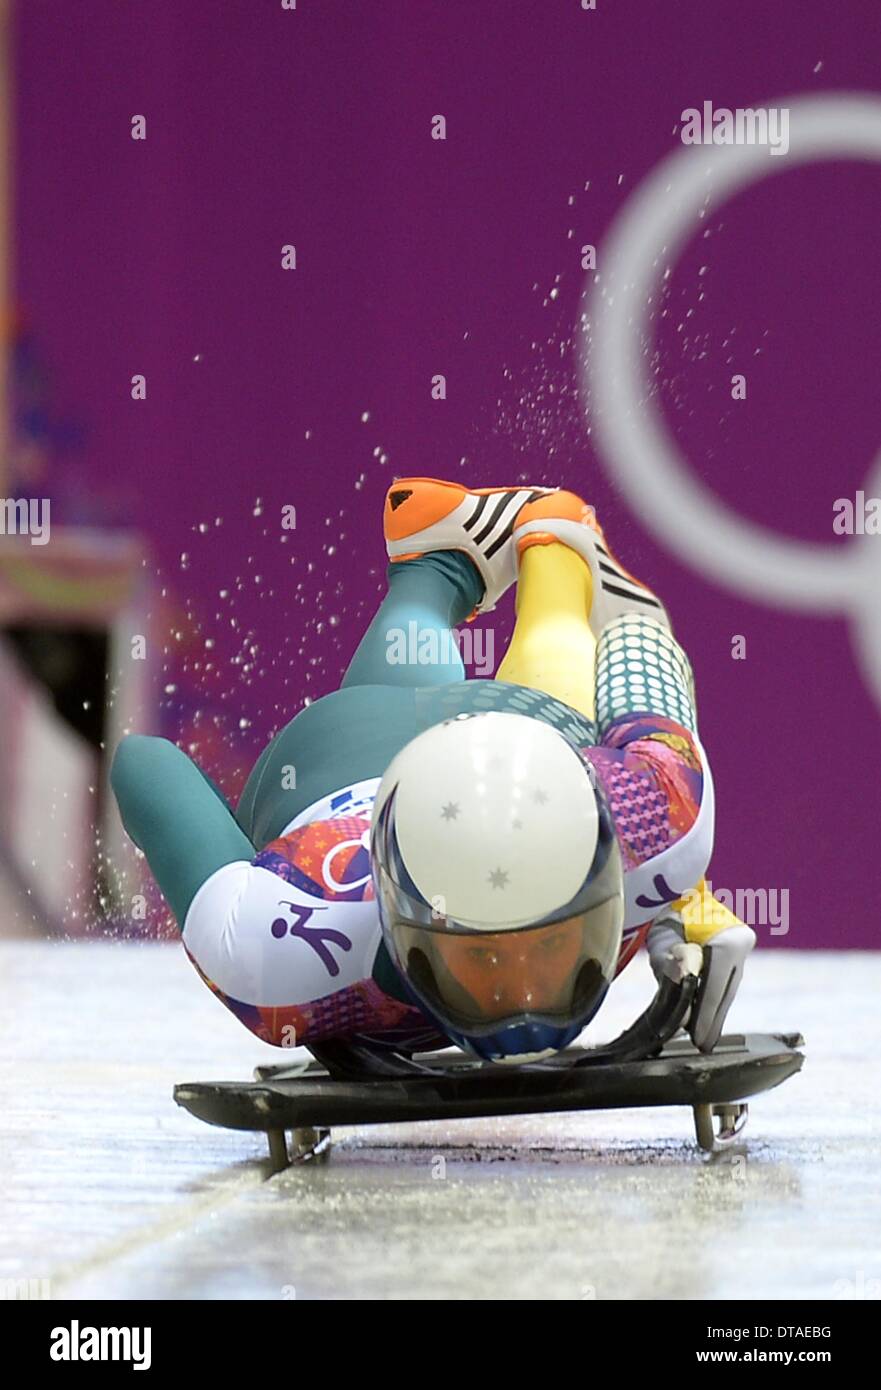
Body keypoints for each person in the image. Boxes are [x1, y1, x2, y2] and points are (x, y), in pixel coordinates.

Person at [111, 478, 755, 1064]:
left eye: (554, 947)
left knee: (549, 720)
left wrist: (679, 892)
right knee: (555, 718)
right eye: (482, 959)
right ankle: (490, 558)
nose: (523, 996)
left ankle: (492, 561)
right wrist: (675, 889)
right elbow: (142, 764)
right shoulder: (269, 944)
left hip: (336, 754)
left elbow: (636, 634)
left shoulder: (658, 816)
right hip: (359, 758)